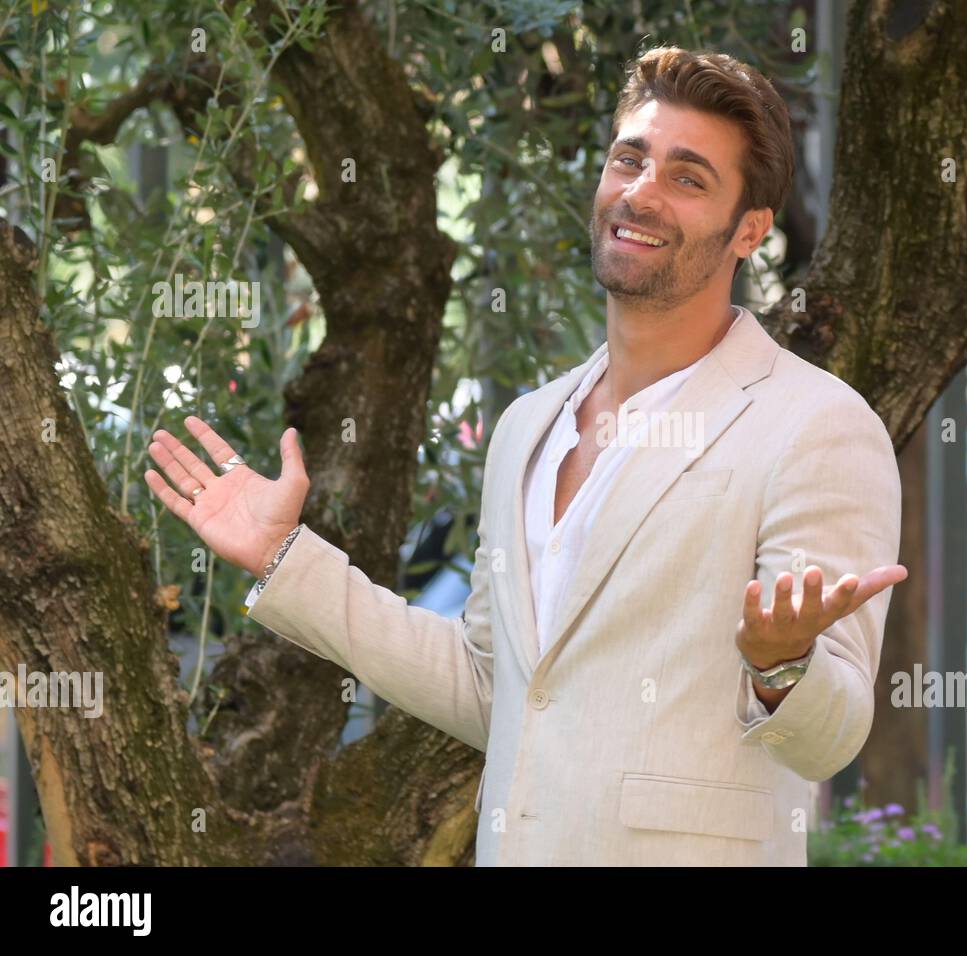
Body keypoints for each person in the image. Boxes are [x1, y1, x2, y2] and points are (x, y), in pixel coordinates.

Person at [144, 47, 906, 867]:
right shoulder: (529, 426)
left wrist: (782, 663)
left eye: (689, 178)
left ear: (749, 229)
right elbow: (493, 689)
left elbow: (830, 739)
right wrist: (285, 559)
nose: (641, 191)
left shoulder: (816, 425)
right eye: (629, 158)